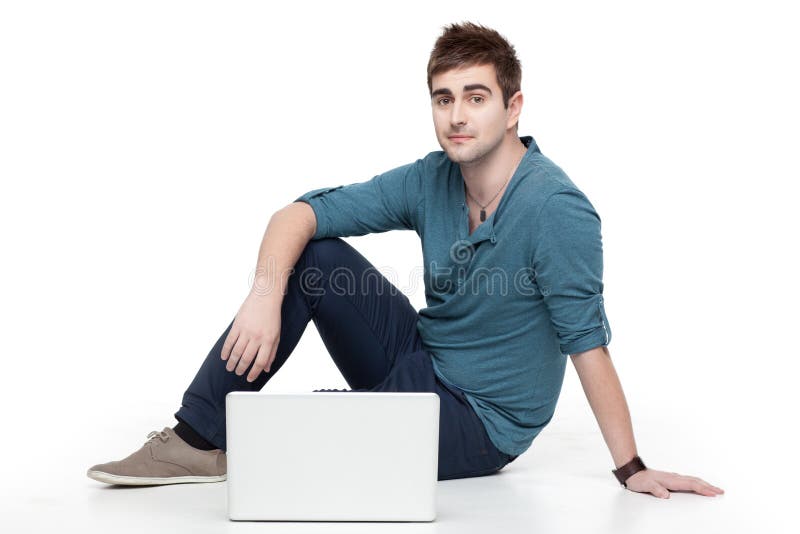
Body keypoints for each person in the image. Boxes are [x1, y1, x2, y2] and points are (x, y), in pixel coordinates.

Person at [87, 22, 724, 499]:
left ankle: (331, 420)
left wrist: (631, 468)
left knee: (300, 453)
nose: (457, 116)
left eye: (476, 97)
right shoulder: (430, 179)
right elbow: (298, 213)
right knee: (313, 256)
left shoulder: (557, 209)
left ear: (514, 107)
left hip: (481, 419)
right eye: (444, 99)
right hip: (421, 355)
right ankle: (194, 442)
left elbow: (588, 343)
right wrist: (262, 295)